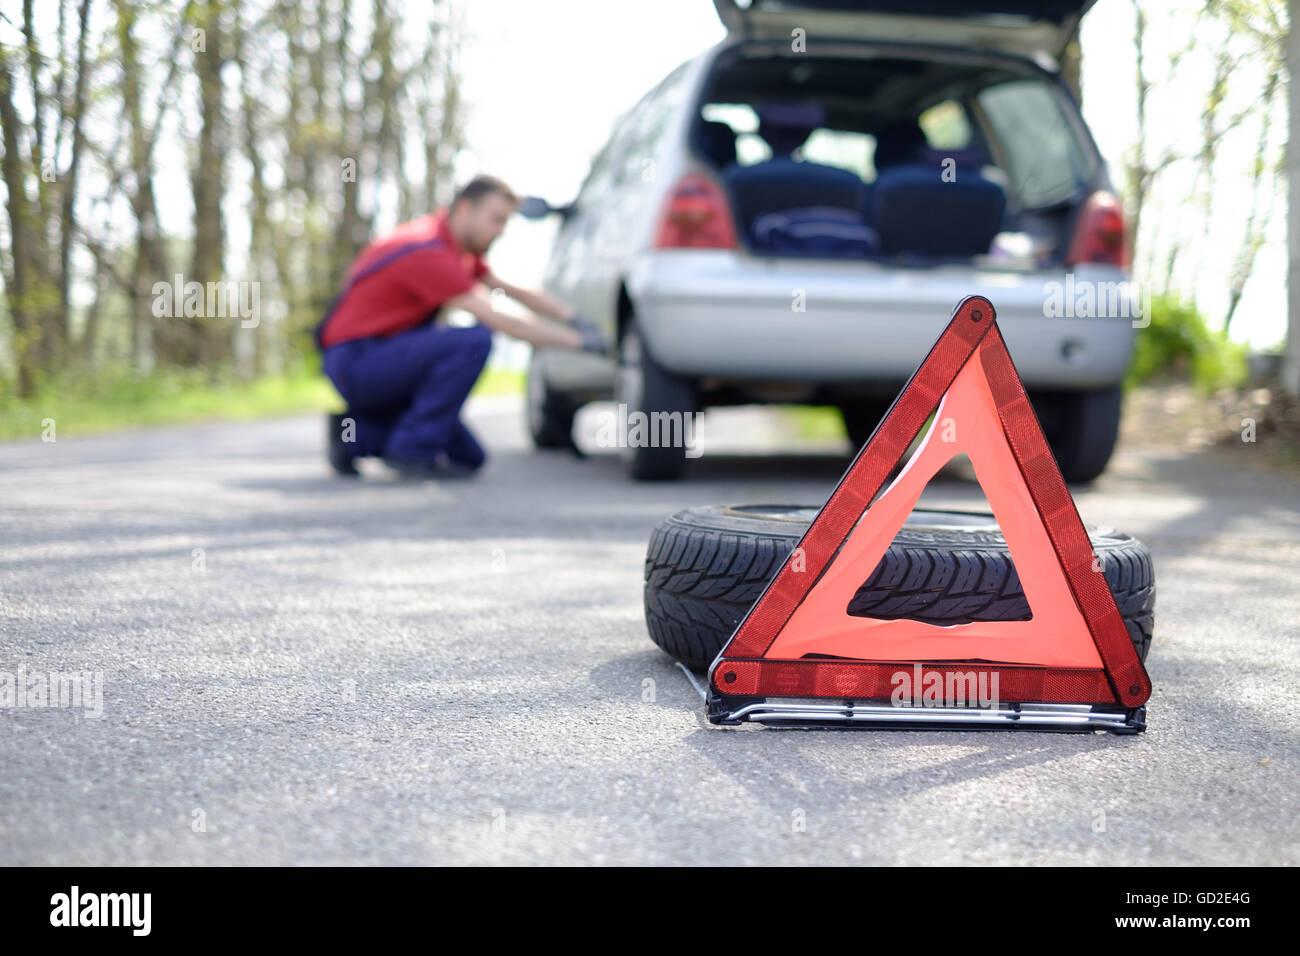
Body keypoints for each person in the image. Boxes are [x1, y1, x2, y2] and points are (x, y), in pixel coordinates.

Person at [317, 175, 606, 478]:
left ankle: (351, 435)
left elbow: (514, 290)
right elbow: (500, 319)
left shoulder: (453, 247)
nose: (500, 231)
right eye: (495, 220)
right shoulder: (427, 249)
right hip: (356, 361)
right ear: (465, 209)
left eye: (505, 222)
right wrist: (582, 344)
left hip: (385, 358)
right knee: (473, 341)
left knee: (469, 458)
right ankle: (410, 450)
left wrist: (573, 318)